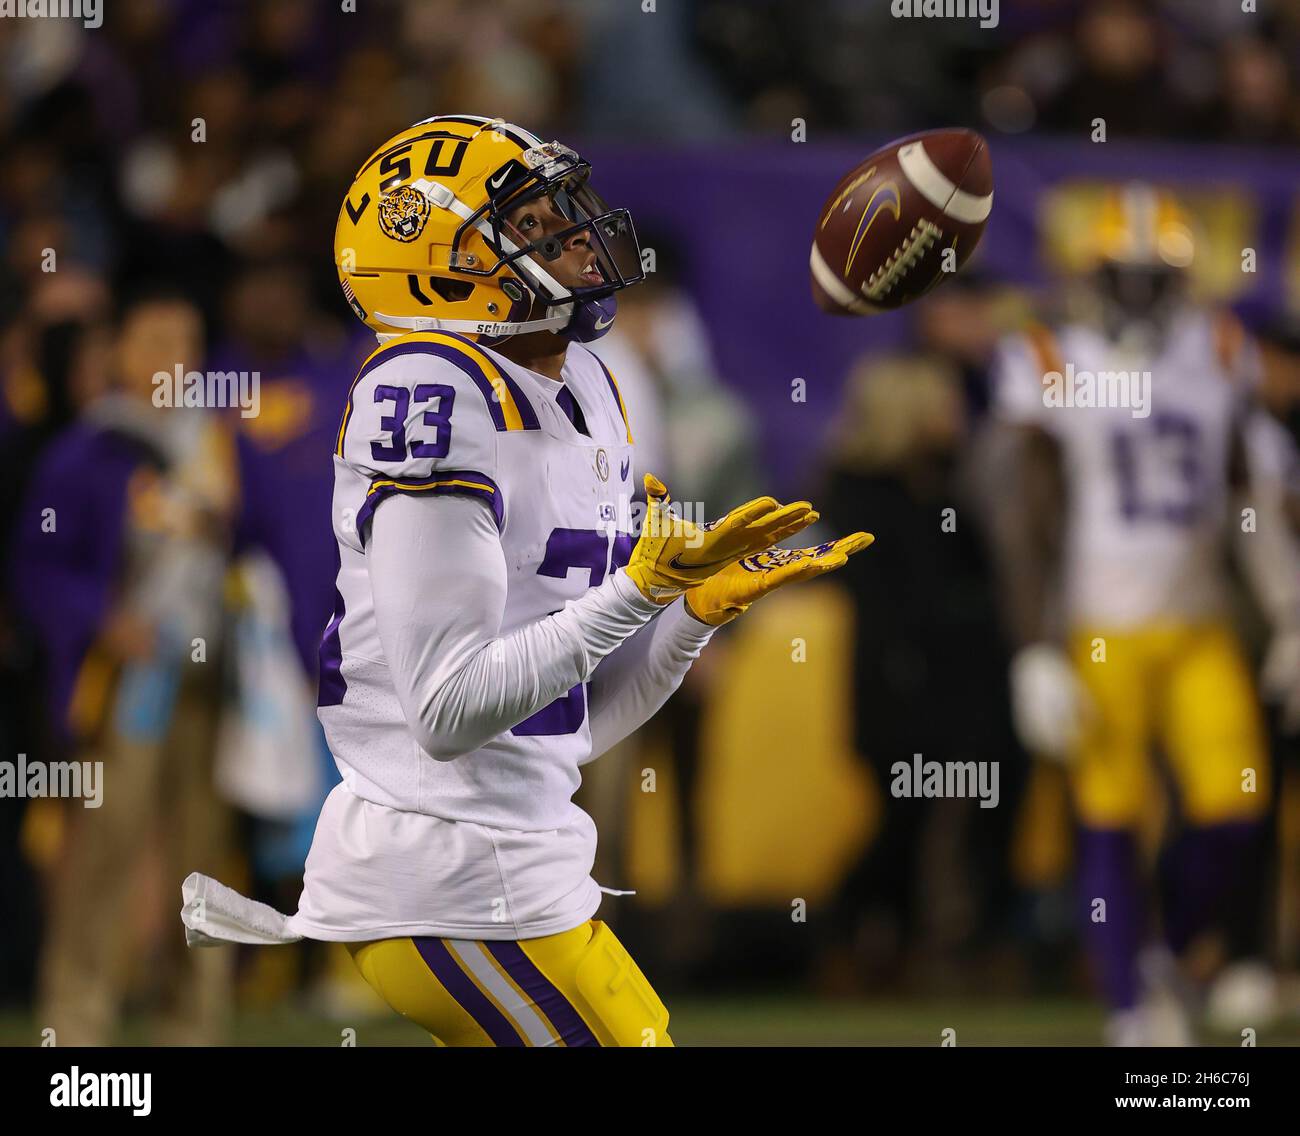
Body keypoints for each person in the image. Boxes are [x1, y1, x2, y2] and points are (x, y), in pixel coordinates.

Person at [182, 115, 871, 1046]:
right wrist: (634, 593)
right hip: (440, 882)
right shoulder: (425, 392)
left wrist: (688, 616)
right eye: (535, 224)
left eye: (565, 211)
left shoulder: (586, 381)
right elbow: (449, 710)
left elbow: (569, 729)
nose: (579, 238)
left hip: (529, 866)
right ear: (436, 266)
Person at [989, 185, 1300, 1045]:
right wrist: (1033, 647)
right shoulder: (1047, 357)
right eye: (1123, 276)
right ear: (1093, 277)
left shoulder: (1225, 349)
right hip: (1099, 627)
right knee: (1108, 815)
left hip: (1199, 625)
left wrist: (1291, 613)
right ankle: (1131, 1009)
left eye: (1153, 276)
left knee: (1236, 809)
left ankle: (1164, 956)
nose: (1139, 293)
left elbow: (1250, 496)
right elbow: (1025, 515)